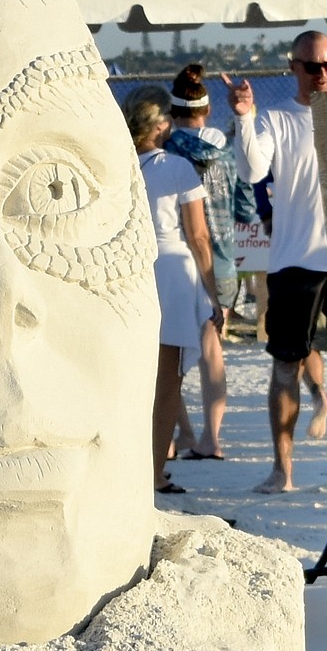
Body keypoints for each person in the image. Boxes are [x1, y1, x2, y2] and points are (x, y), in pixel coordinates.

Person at [225, 31, 327, 493]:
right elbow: (250, 172)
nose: (323, 74)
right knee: (286, 364)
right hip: (294, 261)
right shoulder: (277, 118)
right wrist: (245, 117)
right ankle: (282, 470)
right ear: (294, 68)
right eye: (312, 67)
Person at [128, 87, 221, 494]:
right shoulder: (178, 167)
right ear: (163, 124)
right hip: (170, 267)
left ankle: (133, 469)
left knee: (132, 375)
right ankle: (152, 472)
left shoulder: (118, 164)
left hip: (129, 268)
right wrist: (214, 294)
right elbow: (199, 236)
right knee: (167, 380)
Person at [162, 63, 247, 460]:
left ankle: (182, 433)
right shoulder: (228, 152)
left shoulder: (167, 154)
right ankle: (213, 438)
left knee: (169, 354)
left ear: (172, 112)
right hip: (225, 260)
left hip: (182, 259)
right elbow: (246, 208)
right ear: (208, 110)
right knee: (214, 350)